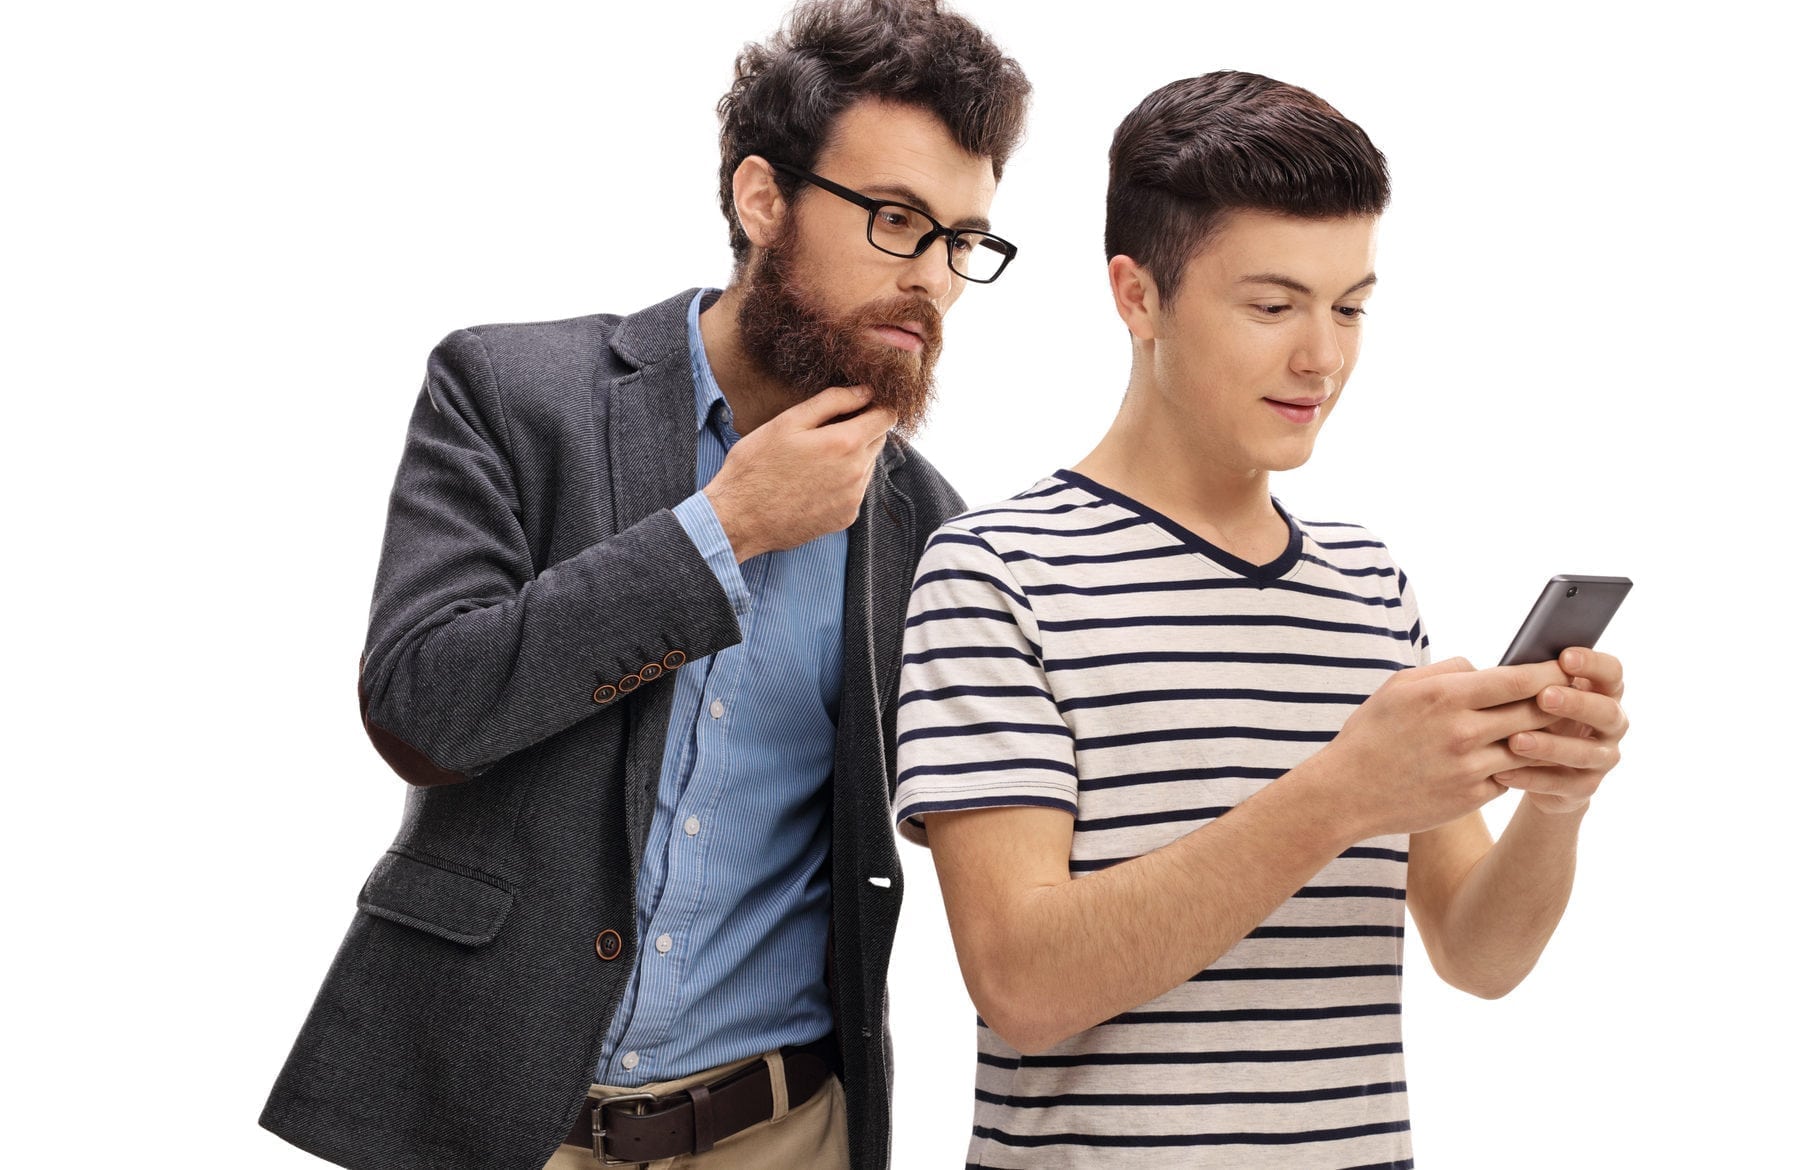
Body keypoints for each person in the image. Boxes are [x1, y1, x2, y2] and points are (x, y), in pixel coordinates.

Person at [259, 3, 1029, 1168]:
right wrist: (724, 528)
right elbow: (423, 708)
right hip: (492, 1123)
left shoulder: (927, 523)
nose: (931, 279)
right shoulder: (513, 394)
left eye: (961, 240)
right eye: (893, 220)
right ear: (761, 198)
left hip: (785, 1132)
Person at [893, 70, 1630, 1167]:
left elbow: (1478, 956)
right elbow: (1023, 986)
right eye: (1273, 306)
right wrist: (1340, 795)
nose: (1321, 357)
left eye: (1350, 307)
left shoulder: (1369, 585)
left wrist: (1557, 803)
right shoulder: (997, 572)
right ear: (1137, 297)